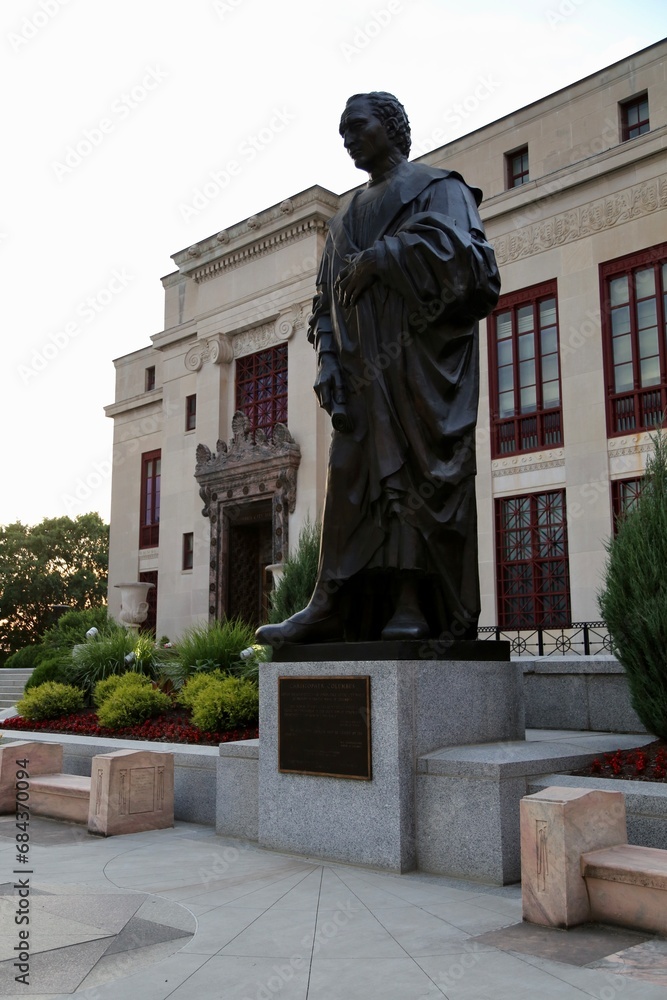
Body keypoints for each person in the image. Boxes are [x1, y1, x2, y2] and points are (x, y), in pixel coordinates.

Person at [256, 92, 500, 646]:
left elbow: (477, 267)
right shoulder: (341, 222)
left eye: (356, 126)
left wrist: (386, 258)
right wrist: (328, 363)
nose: (346, 139)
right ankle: (329, 601)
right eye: (341, 131)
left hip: (417, 372)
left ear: (390, 126)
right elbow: (324, 304)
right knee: (349, 481)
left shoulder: (441, 190)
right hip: (362, 380)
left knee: (410, 479)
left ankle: (412, 601)